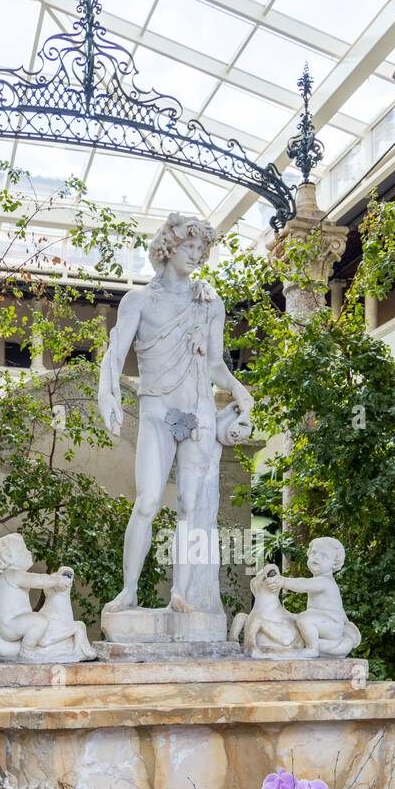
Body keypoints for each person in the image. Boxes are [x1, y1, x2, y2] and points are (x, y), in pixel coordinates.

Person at [97, 212, 252, 616]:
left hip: (198, 409)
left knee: (191, 504)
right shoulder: (140, 301)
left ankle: (181, 592)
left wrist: (238, 389)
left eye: (201, 249)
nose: (196, 255)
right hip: (157, 408)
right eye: (189, 246)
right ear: (168, 248)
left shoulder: (208, 302)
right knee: (147, 501)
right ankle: (129, 589)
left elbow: (217, 365)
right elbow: (114, 356)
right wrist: (107, 392)